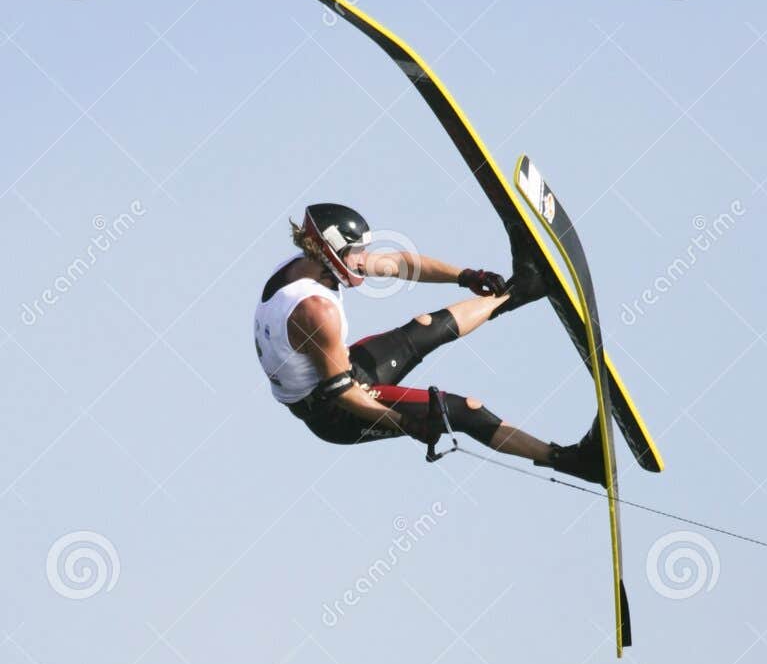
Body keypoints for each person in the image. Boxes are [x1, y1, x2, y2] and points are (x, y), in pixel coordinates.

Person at [253, 203, 605, 482]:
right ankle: (572, 461)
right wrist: (406, 423)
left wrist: (467, 276)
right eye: (356, 252)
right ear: (330, 250)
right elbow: (344, 394)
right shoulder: (315, 311)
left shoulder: (310, 264)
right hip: (334, 411)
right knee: (461, 409)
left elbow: (400, 264)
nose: (364, 259)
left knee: (424, 328)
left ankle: (523, 288)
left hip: (340, 372)